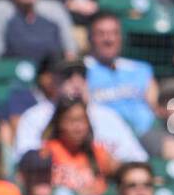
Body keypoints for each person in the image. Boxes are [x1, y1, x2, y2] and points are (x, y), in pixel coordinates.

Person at [14, 59, 146, 163]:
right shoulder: (35, 117)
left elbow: (137, 158)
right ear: (53, 81)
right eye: (68, 76)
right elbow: (24, 159)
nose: (76, 83)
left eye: (82, 75)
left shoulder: (108, 116)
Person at [86, 13, 158, 138]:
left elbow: (154, 106)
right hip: (105, 138)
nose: (109, 39)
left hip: (145, 135)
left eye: (114, 33)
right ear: (91, 38)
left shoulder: (140, 69)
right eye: (101, 34)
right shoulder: (81, 71)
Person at [39, 96, 118, 195]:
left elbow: (125, 174)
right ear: (59, 123)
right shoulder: (46, 152)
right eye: (72, 121)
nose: (78, 128)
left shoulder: (98, 153)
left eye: (82, 120)